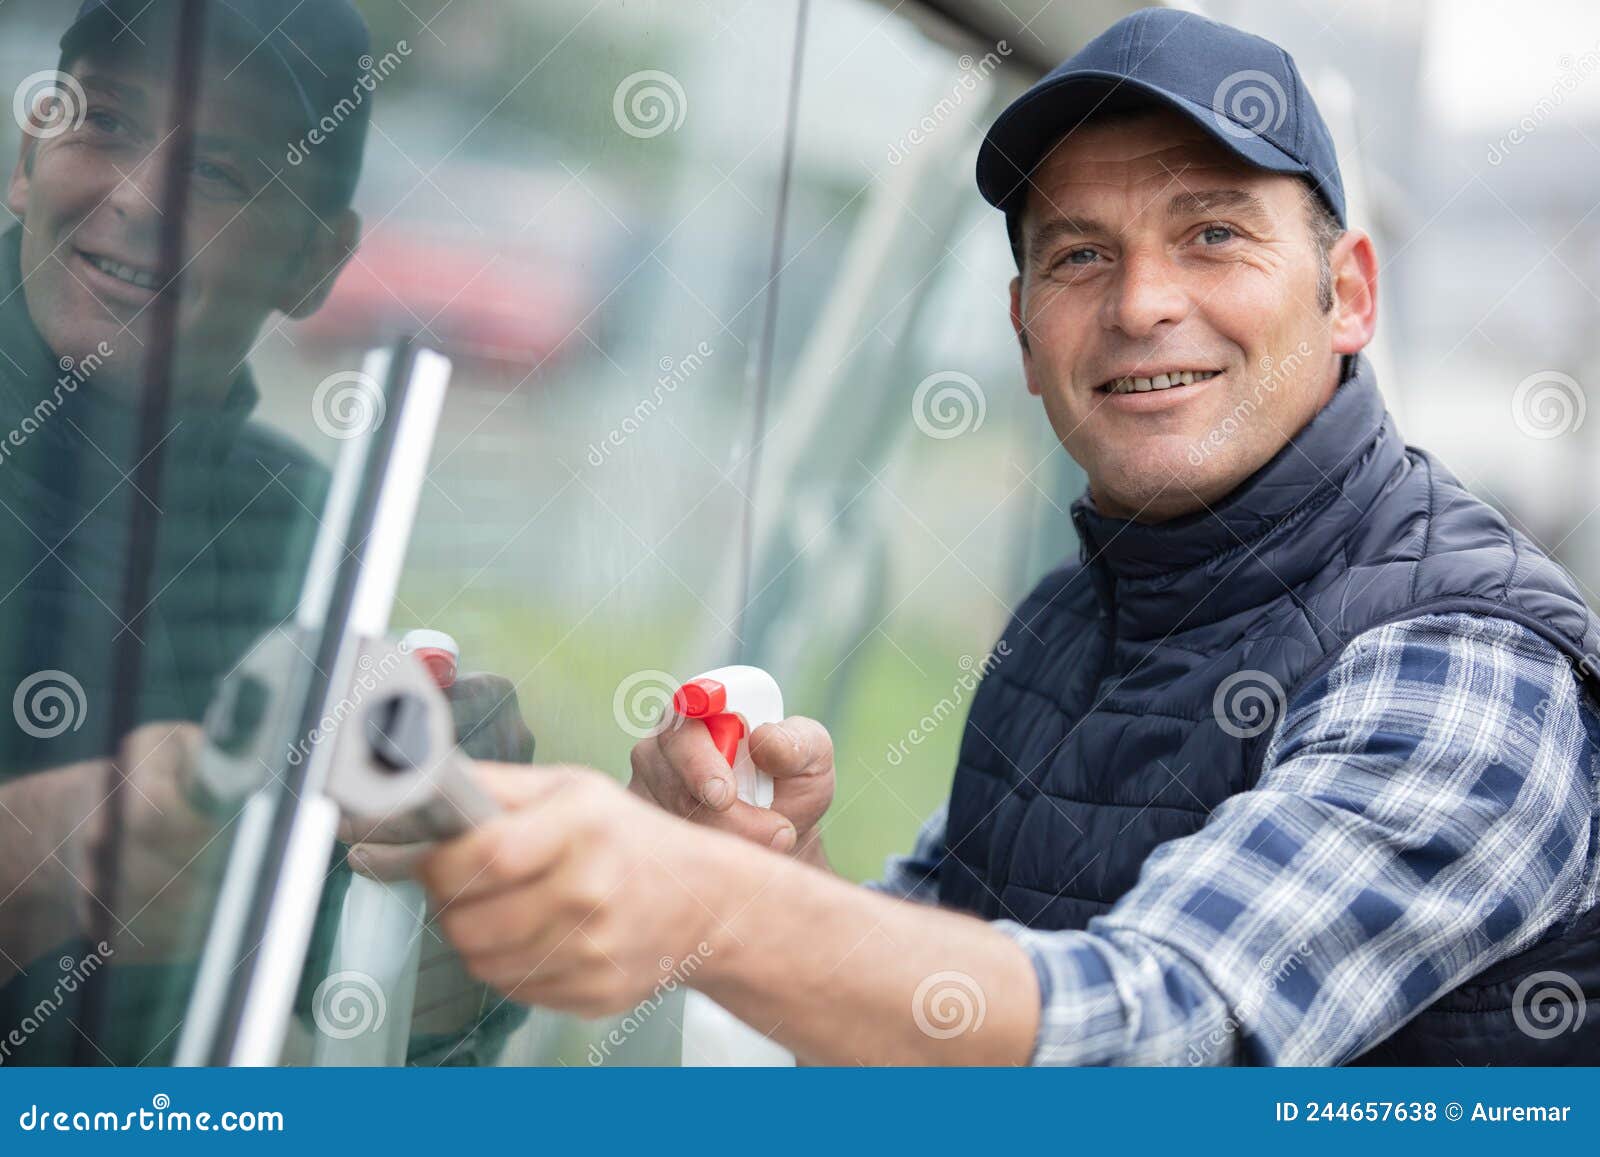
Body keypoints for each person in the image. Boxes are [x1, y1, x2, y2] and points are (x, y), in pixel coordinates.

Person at [422, 8, 1600, 1065]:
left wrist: (714, 908)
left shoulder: (1468, 658)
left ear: (1346, 294)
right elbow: (945, 1005)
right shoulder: (1072, 616)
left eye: (1212, 236)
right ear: (1026, 334)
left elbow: (1152, 1037)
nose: (1139, 305)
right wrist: (761, 868)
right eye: (1081, 254)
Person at [0, 0, 530, 1065]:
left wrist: (450, 914)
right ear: (28, 153)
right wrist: (40, 863)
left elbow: (368, 1025)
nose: (136, 198)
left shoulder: (303, 537)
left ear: (315, 262)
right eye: (103, 121)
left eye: (220, 173)